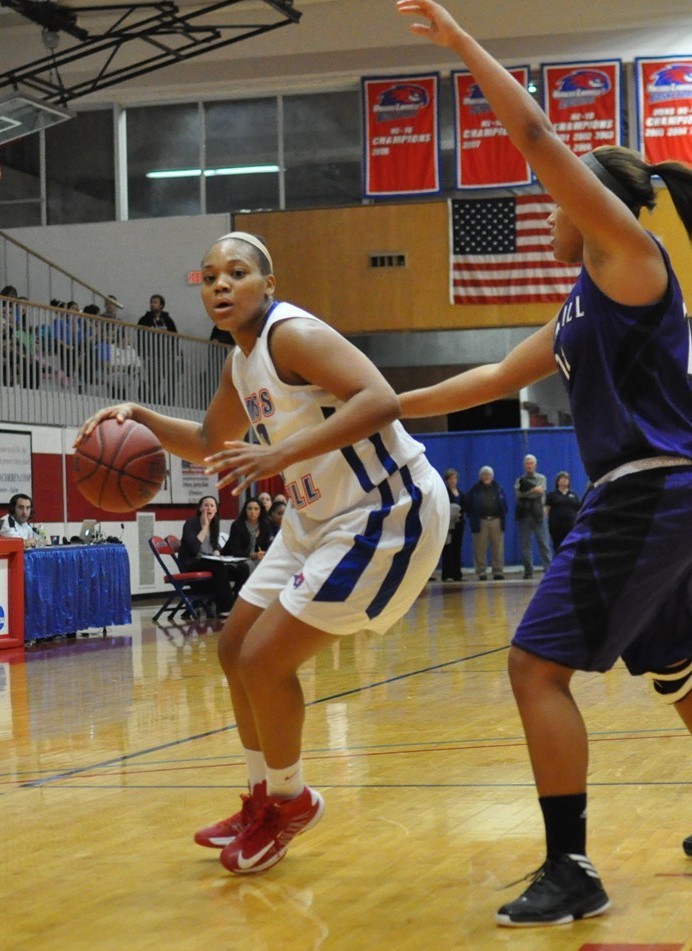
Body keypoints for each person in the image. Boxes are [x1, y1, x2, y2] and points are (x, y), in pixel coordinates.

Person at [397, 0, 692, 927]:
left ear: (583, 198)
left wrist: (457, 42)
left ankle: (572, 868)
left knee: (534, 668)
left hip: (650, 486)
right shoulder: (575, 306)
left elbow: (529, 130)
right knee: (679, 666)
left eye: (549, 197)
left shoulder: (627, 254)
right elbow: (490, 373)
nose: (541, 210)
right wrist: (373, 408)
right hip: (670, 493)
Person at [75, 229, 448, 876]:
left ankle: (289, 799)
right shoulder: (240, 361)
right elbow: (205, 439)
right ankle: (261, 796)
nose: (222, 283)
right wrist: (137, 416)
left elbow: (381, 399)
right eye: (211, 274)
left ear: (268, 284)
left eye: (238, 272)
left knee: (264, 658)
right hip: (314, 518)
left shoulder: (290, 336)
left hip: (384, 510)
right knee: (232, 649)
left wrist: (279, 453)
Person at [178, 495, 250, 617]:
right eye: (205, 505)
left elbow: (214, 545)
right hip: (192, 563)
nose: (209, 508)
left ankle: (237, 603)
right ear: (200, 508)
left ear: (216, 510)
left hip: (209, 563)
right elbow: (193, 549)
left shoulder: (215, 524)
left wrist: (217, 552)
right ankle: (225, 608)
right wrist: (205, 527)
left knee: (242, 568)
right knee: (218, 567)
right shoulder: (191, 523)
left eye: (212, 506)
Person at [465, 466, 508, 581]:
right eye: (484, 475)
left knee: (498, 548)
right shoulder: (475, 489)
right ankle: (481, 571)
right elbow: (468, 505)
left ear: (492, 476)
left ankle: (498, 571)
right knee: (480, 548)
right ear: (481, 477)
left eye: (488, 475)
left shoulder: (498, 488)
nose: (486, 477)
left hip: (496, 521)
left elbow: (504, 505)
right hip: (481, 521)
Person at [514, 454, 552, 579]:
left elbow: (540, 493)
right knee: (525, 545)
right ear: (525, 465)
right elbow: (518, 495)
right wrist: (533, 490)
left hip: (538, 514)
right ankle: (528, 572)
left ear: (535, 465)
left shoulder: (542, 478)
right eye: (527, 463)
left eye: (531, 463)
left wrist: (528, 493)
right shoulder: (519, 479)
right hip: (524, 515)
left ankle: (548, 570)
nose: (529, 465)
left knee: (543, 543)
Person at [223, 496, 273, 574]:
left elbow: (265, 548)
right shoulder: (237, 525)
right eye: (250, 508)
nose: (253, 512)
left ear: (261, 511)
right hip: (237, 558)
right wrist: (252, 555)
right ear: (245, 510)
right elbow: (235, 551)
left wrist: (261, 554)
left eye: (256, 509)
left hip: (257, 559)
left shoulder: (265, 525)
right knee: (248, 565)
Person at [545, 471, 581, 551]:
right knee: (558, 546)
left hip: (571, 525)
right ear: (558, 481)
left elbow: (579, 510)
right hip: (556, 526)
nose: (565, 480)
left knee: (571, 546)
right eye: (562, 479)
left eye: (566, 479)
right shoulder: (552, 495)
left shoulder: (574, 495)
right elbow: (547, 511)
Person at [440, 467, 465, 581]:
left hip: (459, 524)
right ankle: (447, 574)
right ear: (447, 480)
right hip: (448, 525)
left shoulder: (460, 493)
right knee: (448, 549)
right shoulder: (444, 493)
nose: (453, 480)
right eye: (450, 478)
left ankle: (457, 574)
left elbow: (465, 506)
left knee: (457, 548)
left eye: (454, 478)